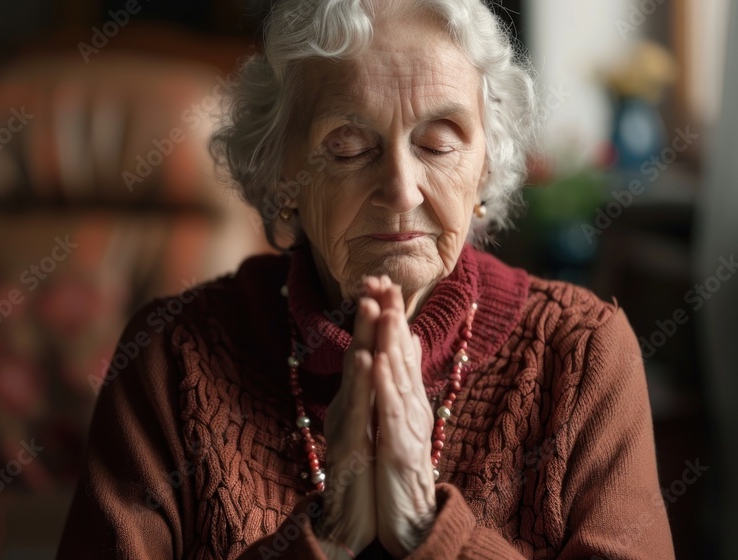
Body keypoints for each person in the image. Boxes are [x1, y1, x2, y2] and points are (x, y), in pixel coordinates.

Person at [56, 0, 675, 557]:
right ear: (282, 175)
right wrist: (326, 539)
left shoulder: (582, 353)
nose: (401, 190)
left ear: (486, 167)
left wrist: (429, 532)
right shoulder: (171, 358)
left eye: (438, 144)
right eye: (349, 148)